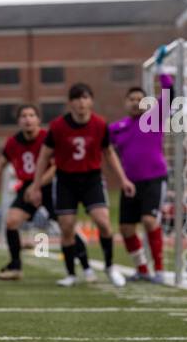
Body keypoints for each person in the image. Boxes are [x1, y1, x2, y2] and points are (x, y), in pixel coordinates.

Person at [26, 82, 135, 288]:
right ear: (70, 103)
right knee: (66, 227)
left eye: (85, 98)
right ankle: (71, 274)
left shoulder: (100, 124)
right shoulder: (58, 126)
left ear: (91, 101)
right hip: (66, 180)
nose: (81, 103)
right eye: (76, 99)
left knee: (103, 222)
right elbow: (44, 156)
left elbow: (109, 153)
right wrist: (36, 185)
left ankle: (110, 267)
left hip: (91, 178)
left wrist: (123, 180)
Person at [0, 104, 90, 280]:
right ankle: (16, 266)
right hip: (27, 187)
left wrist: (37, 186)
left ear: (38, 119)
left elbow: (56, 166)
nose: (28, 119)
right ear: (18, 121)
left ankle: (86, 267)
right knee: (11, 221)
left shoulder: (47, 138)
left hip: (50, 185)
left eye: (32, 115)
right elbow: (1, 163)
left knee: (66, 227)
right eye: (24, 116)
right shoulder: (13, 141)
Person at [109, 69, 173, 283]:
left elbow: (170, 94)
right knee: (126, 228)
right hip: (130, 184)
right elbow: (103, 148)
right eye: (131, 99)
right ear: (125, 103)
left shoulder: (155, 118)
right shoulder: (117, 128)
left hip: (154, 179)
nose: (135, 102)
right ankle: (142, 269)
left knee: (148, 220)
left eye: (139, 99)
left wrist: (162, 71)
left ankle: (160, 270)